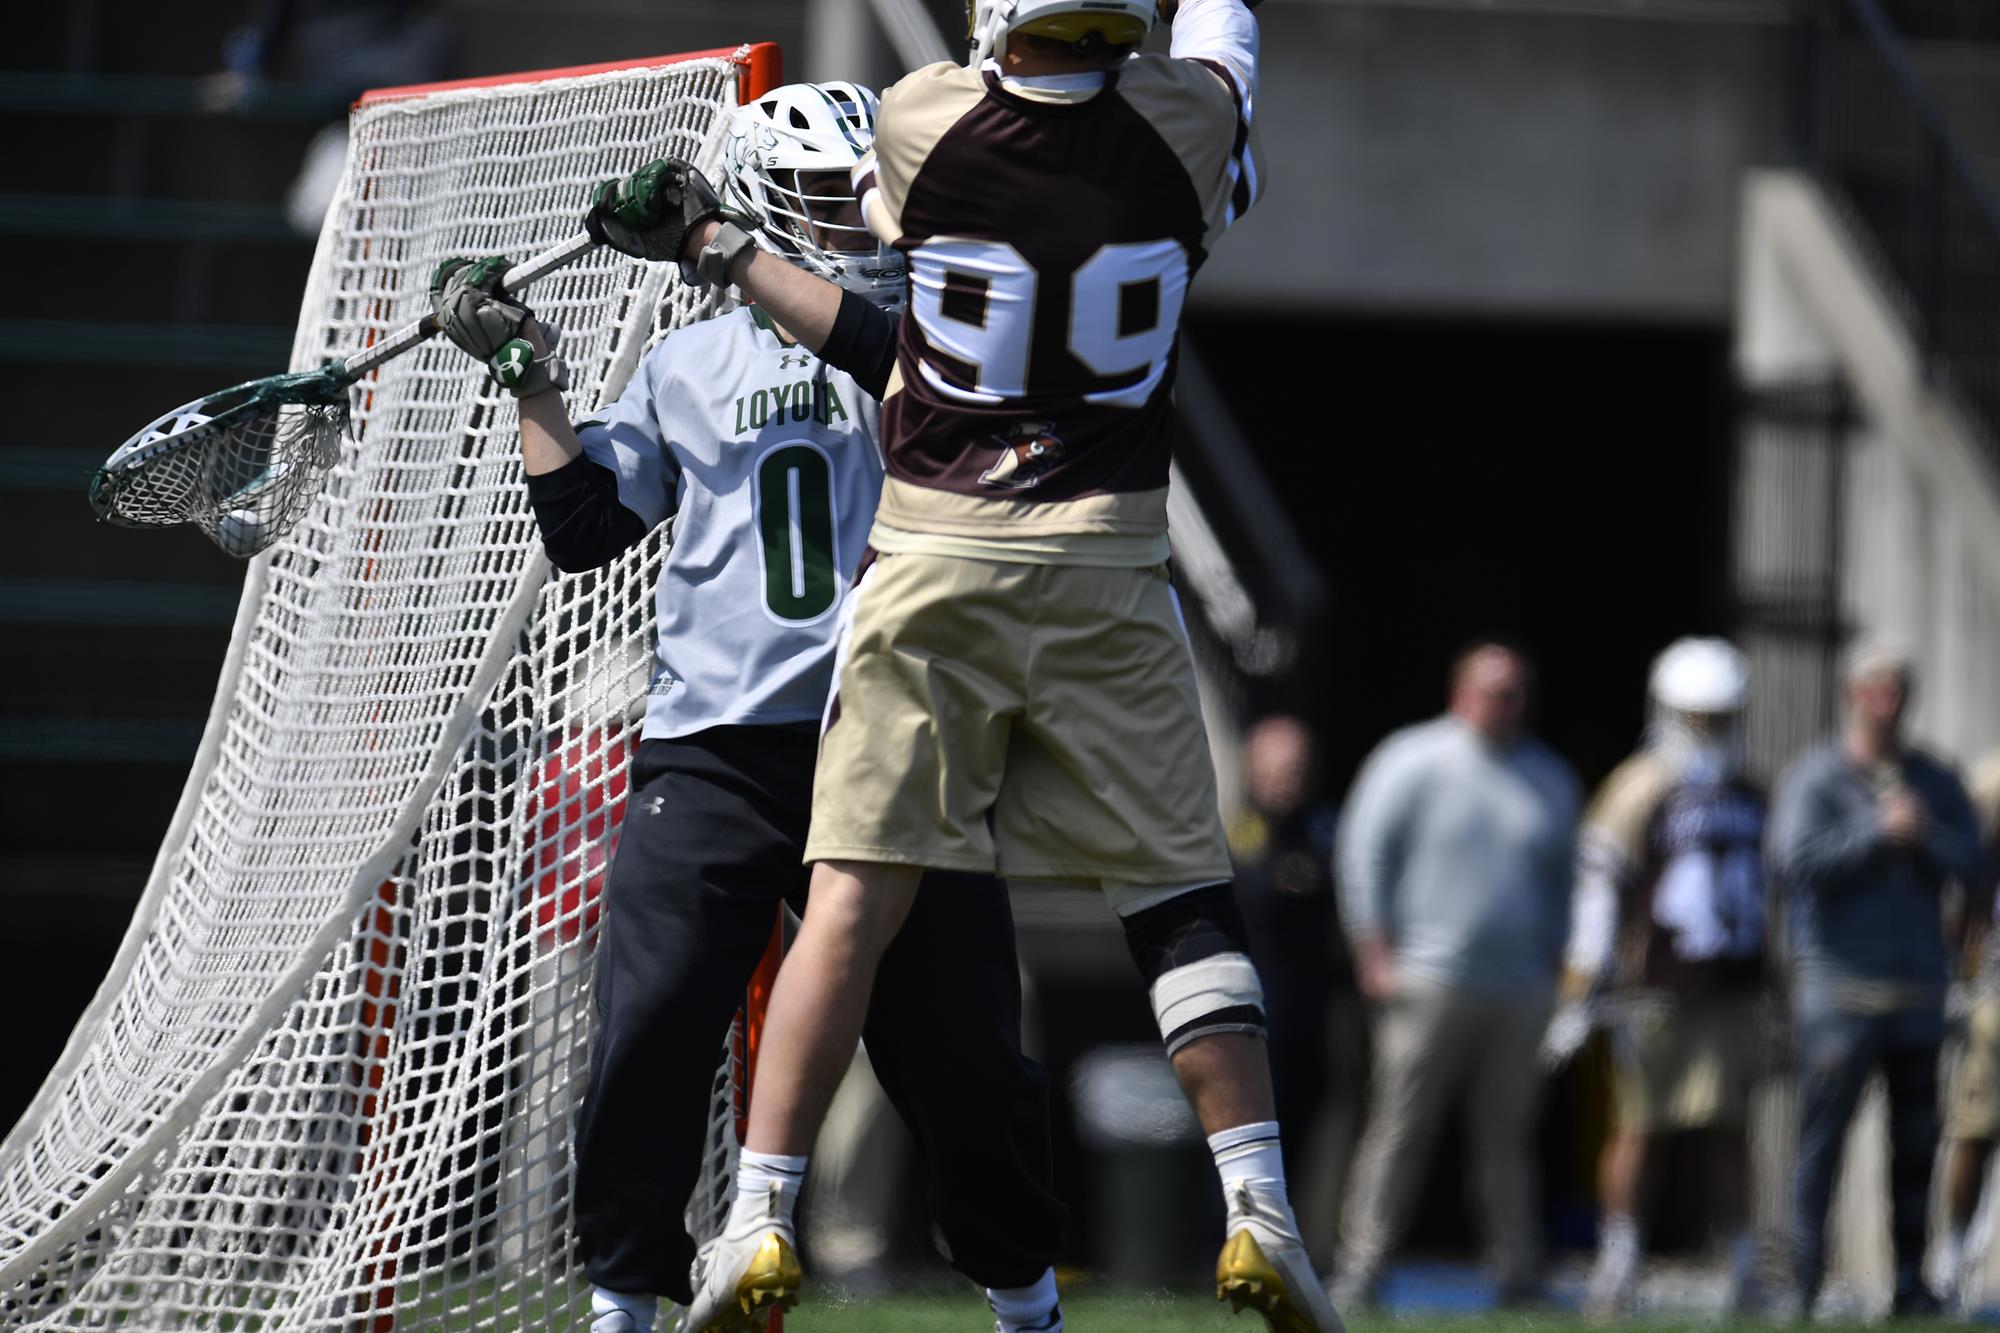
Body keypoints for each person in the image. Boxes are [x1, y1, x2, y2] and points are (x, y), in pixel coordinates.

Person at [669, 2, 1349, 1330]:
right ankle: (1259, 1206)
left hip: (937, 553)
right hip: (1105, 561)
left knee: (852, 899)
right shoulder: (1190, 126)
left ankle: (757, 1214)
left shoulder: (925, 116)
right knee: (1178, 902)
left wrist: (714, 242)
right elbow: (1221, 53)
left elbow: (875, 234)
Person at [425, 83, 1065, 1333]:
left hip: (897, 734)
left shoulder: (930, 328)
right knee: (649, 1026)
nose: (865, 215)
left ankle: (1023, 1298)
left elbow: (896, 365)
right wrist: (530, 378)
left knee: (961, 1055)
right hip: (714, 748)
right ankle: (623, 1305)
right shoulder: (684, 362)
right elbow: (584, 526)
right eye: (833, 195)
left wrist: (725, 248)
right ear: (769, 194)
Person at [1332, 642, 1579, 1308]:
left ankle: (1518, 1270)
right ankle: (1362, 1266)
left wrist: (1560, 972)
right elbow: (1364, 854)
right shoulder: (1412, 759)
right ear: (1461, 691)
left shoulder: (1549, 775)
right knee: (1399, 1129)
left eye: (1520, 691)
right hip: (1427, 979)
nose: (1510, 704)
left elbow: (1565, 885)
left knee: (1509, 1138)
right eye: (1498, 691)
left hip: (1521, 986)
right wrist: (1372, 952)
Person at [1769, 640, 1984, 1317]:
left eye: (1898, 692)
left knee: (1917, 1144)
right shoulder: (1817, 777)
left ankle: (1911, 1284)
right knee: (1822, 1142)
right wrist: (1874, 830)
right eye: (1876, 690)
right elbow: (1794, 862)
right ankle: (1802, 1281)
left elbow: (1974, 865)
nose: (1888, 705)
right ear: (1851, 695)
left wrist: (1923, 835)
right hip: (1840, 991)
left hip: (1918, 992)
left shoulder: (1935, 779)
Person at [1554, 639, 1769, 1317]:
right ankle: (1619, 1261)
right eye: (1698, 715)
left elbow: (1770, 896)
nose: (1709, 730)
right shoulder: (1640, 784)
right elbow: (1597, 890)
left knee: (1731, 1130)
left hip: (1731, 989)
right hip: (1655, 990)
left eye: (1720, 715)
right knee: (1640, 1128)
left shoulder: (1752, 787)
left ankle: (1742, 1263)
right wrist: (1579, 988)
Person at [1228, 716, 1365, 1261]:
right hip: (1255, 1014)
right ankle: (1239, 1244)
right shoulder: (1240, 829)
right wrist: (1292, 881)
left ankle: (1307, 1248)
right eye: (1281, 769)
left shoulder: (1328, 825)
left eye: (1300, 769)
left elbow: (1342, 885)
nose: (1292, 779)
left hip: (1319, 1011)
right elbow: (1254, 887)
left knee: (1317, 1137)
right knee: (1252, 1136)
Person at [1937, 747, 2000, 1306]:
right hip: (1994, 988)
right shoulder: (1990, 783)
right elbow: (1961, 879)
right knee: (1975, 1130)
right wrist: (1961, 972)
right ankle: (1953, 1260)